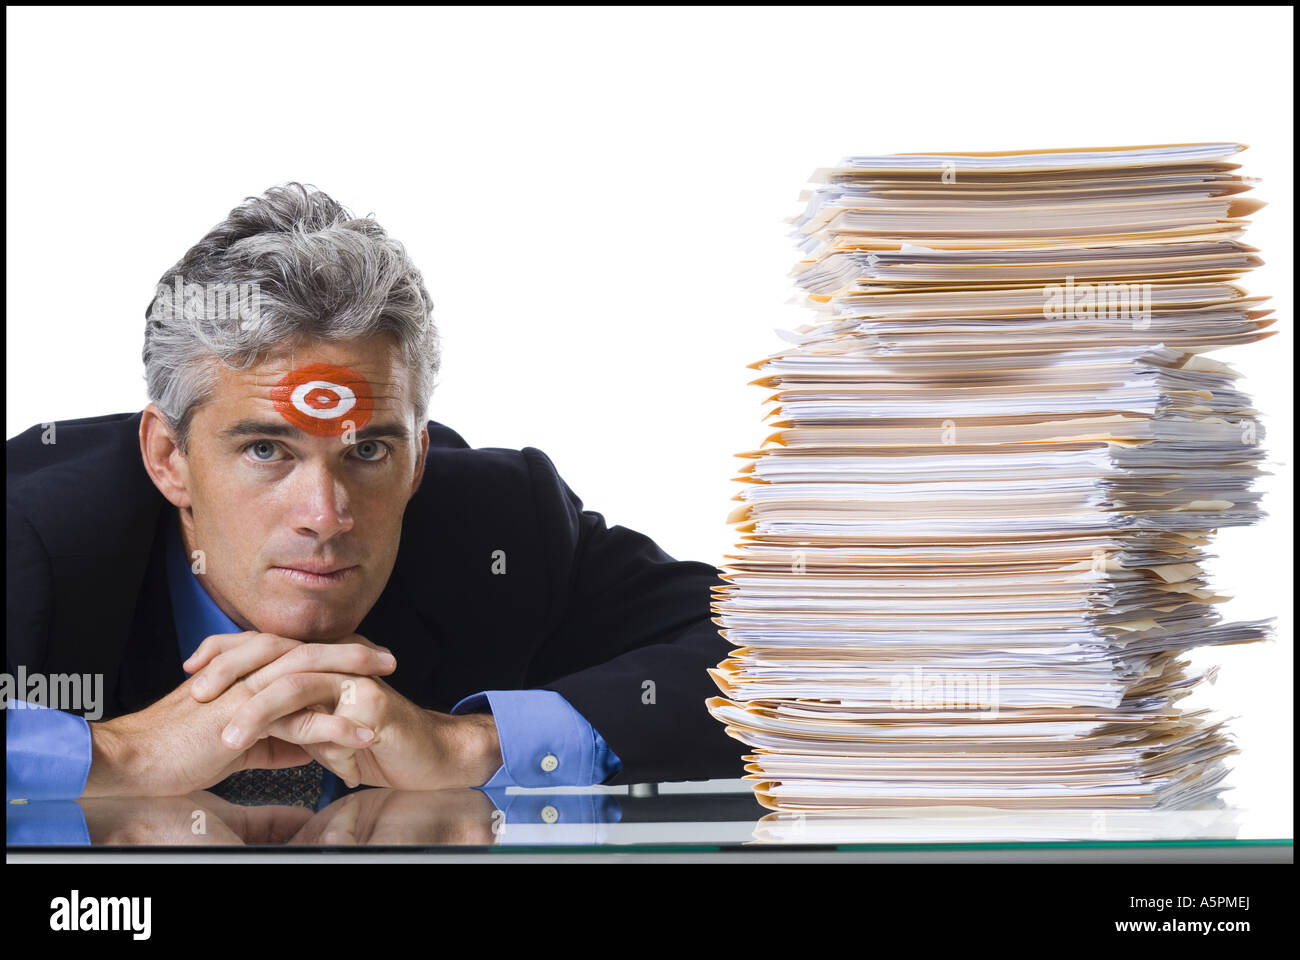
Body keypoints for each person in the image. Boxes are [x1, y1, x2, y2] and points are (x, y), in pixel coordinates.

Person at [6, 183, 739, 813]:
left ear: (418, 459)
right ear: (169, 458)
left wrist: (477, 746)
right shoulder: (29, 538)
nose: (326, 516)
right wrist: (116, 757)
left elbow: (796, 656)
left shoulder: (503, 528)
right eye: (266, 451)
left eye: (367, 452)